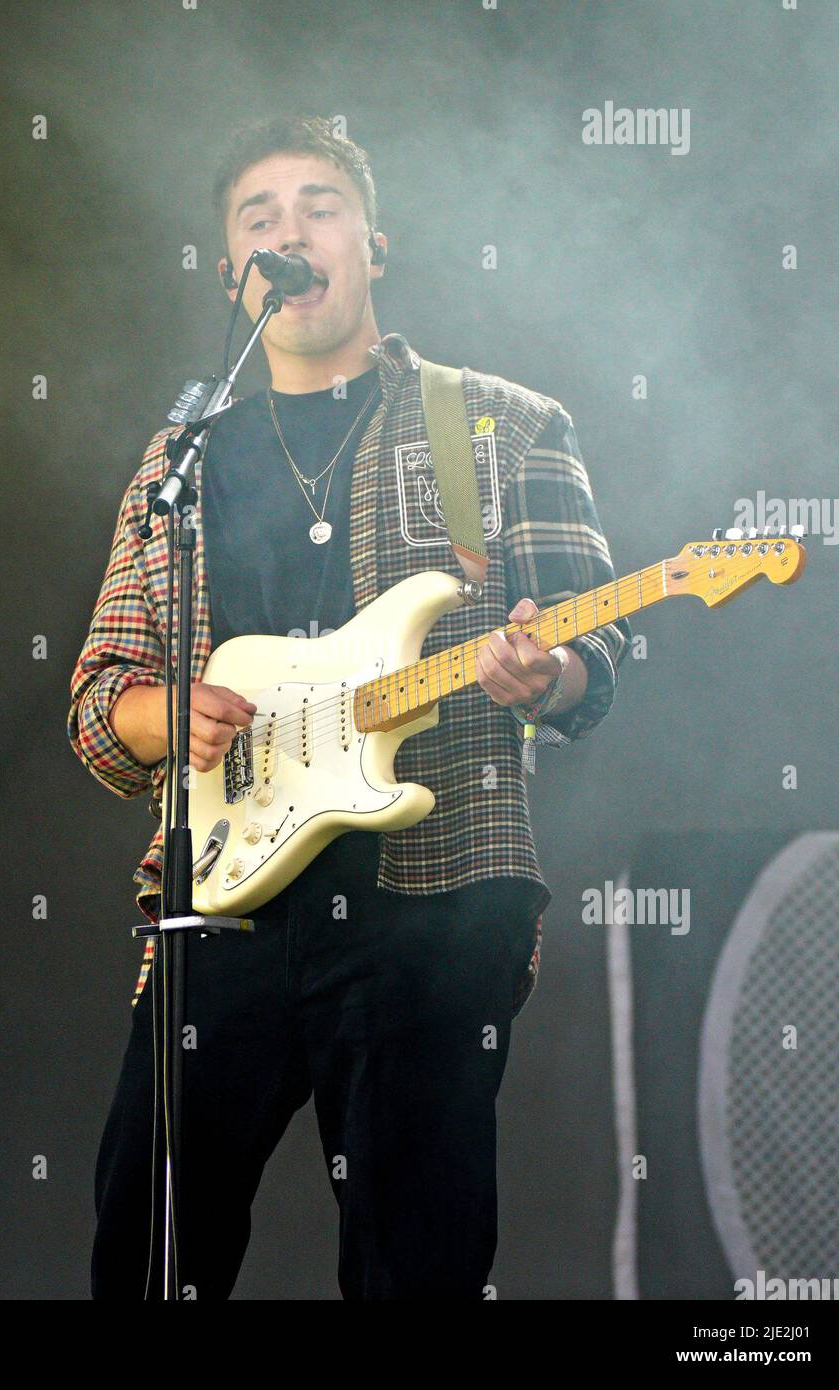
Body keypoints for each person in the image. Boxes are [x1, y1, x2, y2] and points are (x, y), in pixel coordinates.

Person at [67, 114, 631, 1300]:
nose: (288, 232)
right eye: (257, 217)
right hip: (217, 902)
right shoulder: (182, 461)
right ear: (232, 272)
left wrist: (550, 673)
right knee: (147, 1248)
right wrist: (173, 714)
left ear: (372, 245)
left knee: (411, 1260)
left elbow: (598, 644)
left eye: (317, 206)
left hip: (432, 897)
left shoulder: (497, 421)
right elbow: (98, 701)